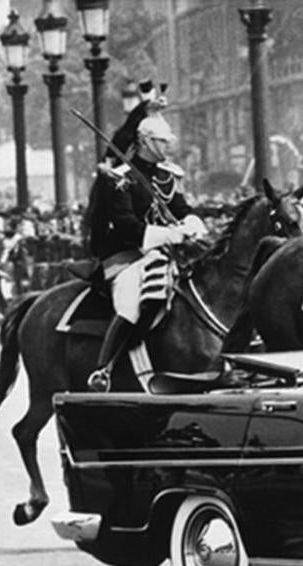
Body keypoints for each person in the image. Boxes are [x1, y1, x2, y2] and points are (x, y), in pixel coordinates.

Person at [85, 92, 206, 392]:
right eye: (163, 141)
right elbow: (125, 225)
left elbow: (182, 209)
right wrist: (167, 234)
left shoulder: (167, 176)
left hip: (162, 253)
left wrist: (192, 225)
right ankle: (104, 369)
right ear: (148, 142)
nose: (168, 146)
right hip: (126, 256)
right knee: (130, 305)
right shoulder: (119, 178)